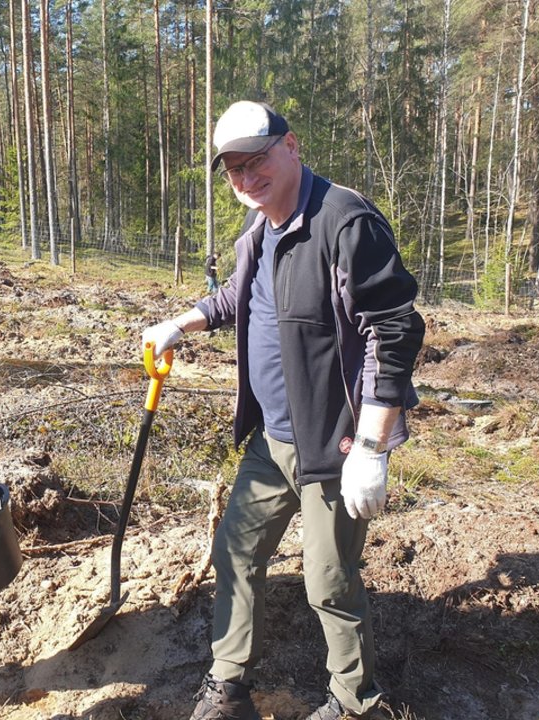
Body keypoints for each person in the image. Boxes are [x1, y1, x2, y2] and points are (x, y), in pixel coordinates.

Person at [142, 101, 424, 720]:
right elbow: (237, 296)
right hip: (272, 442)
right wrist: (181, 323)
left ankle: (356, 703)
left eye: (258, 159)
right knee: (236, 553)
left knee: (328, 581)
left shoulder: (345, 222)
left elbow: (396, 329)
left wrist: (373, 448)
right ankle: (228, 688)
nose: (246, 177)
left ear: (291, 145)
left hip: (337, 444)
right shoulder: (257, 231)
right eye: (233, 168)